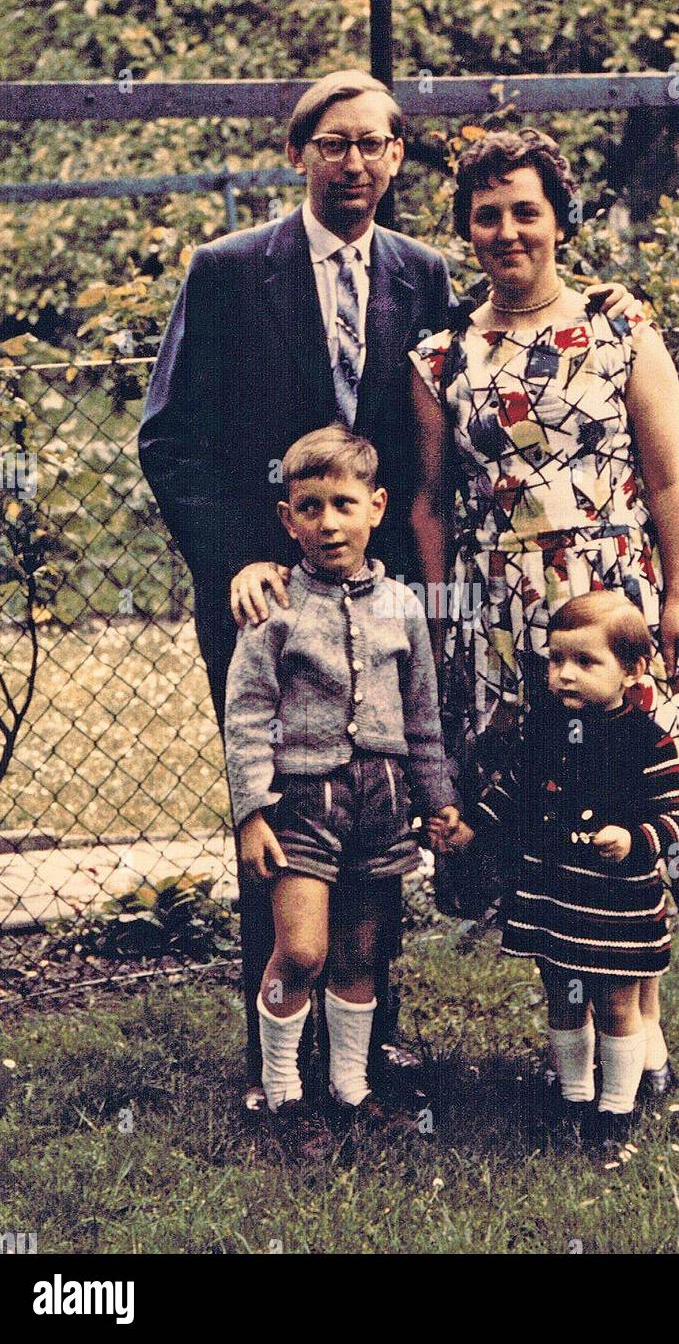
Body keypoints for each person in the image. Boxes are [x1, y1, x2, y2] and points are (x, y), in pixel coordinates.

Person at [139, 69, 640, 1114]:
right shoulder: (228, 271)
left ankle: (370, 1041)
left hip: (385, 602)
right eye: (333, 143)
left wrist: (605, 302)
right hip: (266, 601)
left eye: (373, 144)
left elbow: (511, 319)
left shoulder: (418, 273)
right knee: (280, 807)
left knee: (383, 806)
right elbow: (171, 436)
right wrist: (237, 553)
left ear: (396, 159)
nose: (354, 162)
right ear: (299, 153)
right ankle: (275, 1051)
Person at [409, 127, 679, 1102]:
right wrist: (438, 615)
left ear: (559, 219)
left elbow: (670, 478)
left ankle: (644, 1034)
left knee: (630, 794)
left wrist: (678, 598)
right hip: (506, 615)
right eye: (488, 214)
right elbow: (424, 500)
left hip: (615, 599)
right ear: (467, 226)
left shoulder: (623, 327)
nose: (507, 231)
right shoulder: (442, 358)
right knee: (546, 804)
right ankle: (574, 1044)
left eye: (526, 211)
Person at [223, 427, 460, 1138]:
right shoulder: (275, 607)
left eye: (344, 504)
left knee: (361, 952)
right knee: (301, 950)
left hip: (382, 803)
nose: (328, 522)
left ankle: (351, 1087)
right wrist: (251, 813)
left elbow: (423, 717)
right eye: (310, 506)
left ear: (377, 507)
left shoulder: (404, 607)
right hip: (303, 802)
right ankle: (283, 1091)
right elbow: (245, 716)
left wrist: (438, 801)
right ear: (287, 517)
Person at [430, 592, 679, 1151]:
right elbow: (513, 791)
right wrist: (472, 827)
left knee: (619, 1003)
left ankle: (616, 1110)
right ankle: (573, 1096)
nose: (564, 675)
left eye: (584, 662)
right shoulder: (543, 728)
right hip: (554, 897)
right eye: (555, 661)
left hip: (617, 903)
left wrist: (635, 838)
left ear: (633, 670)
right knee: (563, 995)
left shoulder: (648, 740)